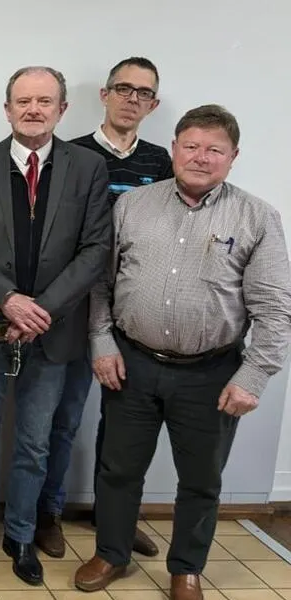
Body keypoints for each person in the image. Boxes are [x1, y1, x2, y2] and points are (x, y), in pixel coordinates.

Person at [74, 104, 291, 600]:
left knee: (201, 479)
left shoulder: (257, 217)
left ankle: (186, 568)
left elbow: (275, 308)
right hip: (132, 363)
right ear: (172, 149)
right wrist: (102, 342)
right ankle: (111, 552)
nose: (200, 157)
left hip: (212, 373)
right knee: (118, 468)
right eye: (191, 146)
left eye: (214, 150)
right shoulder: (132, 205)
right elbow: (101, 284)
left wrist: (254, 375)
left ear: (233, 157)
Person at [0, 66, 111, 585]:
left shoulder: (88, 168)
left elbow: (96, 250)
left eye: (45, 101)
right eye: (23, 100)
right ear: (7, 107)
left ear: (63, 109)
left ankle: (19, 535)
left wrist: (42, 310)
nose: (33, 109)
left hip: (54, 332)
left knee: (36, 442)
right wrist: (9, 300)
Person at [36, 56, 173, 559]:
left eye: (143, 93)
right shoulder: (68, 154)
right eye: (123, 88)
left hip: (136, 314)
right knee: (63, 417)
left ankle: (112, 517)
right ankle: (48, 512)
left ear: (153, 104)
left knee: (122, 427)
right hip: (74, 310)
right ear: (105, 94)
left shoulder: (162, 162)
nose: (132, 99)